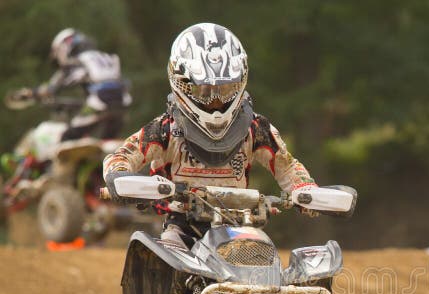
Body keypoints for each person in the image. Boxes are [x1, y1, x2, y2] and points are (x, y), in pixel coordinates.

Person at [103, 22, 317, 248]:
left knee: (269, 262)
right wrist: (119, 175)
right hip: (182, 228)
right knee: (160, 253)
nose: (215, 101)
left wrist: (305, 190)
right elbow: (123, 156)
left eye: (225, 90)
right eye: (204, 91)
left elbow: (288, 166)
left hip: (240, 227)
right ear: (180, 84)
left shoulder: (255, 128)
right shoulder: (167, 128)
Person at [32, 28, 131, 140]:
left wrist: (36, 92)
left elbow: (56, 86)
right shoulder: (107, 56)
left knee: (68, 136)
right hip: (123, 103)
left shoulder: (79, 60)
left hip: (98, 102)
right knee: (108, 142)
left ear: (64, 47)